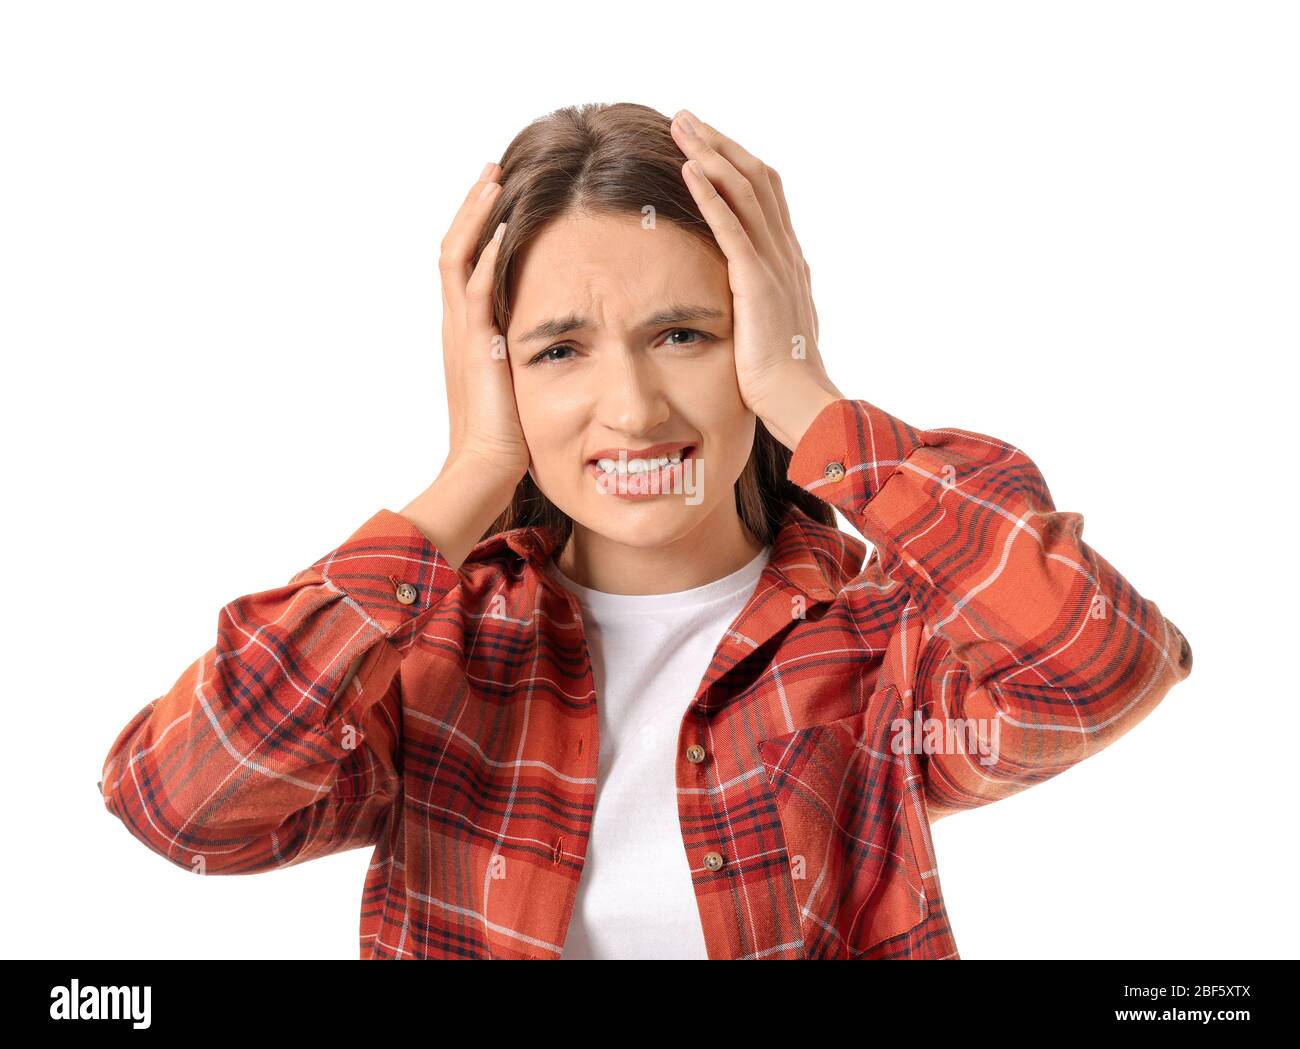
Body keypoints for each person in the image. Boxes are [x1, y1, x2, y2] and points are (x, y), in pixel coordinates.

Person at [99, 103, 1193, 960]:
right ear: (493, 374)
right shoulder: (432, 654)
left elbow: (1097, 664)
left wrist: (806, 392)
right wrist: (473, 470)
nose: (631, 406)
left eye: (683, 332)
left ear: (754, 337)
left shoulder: (882, 647)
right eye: (560, 350)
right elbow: (181, 803)